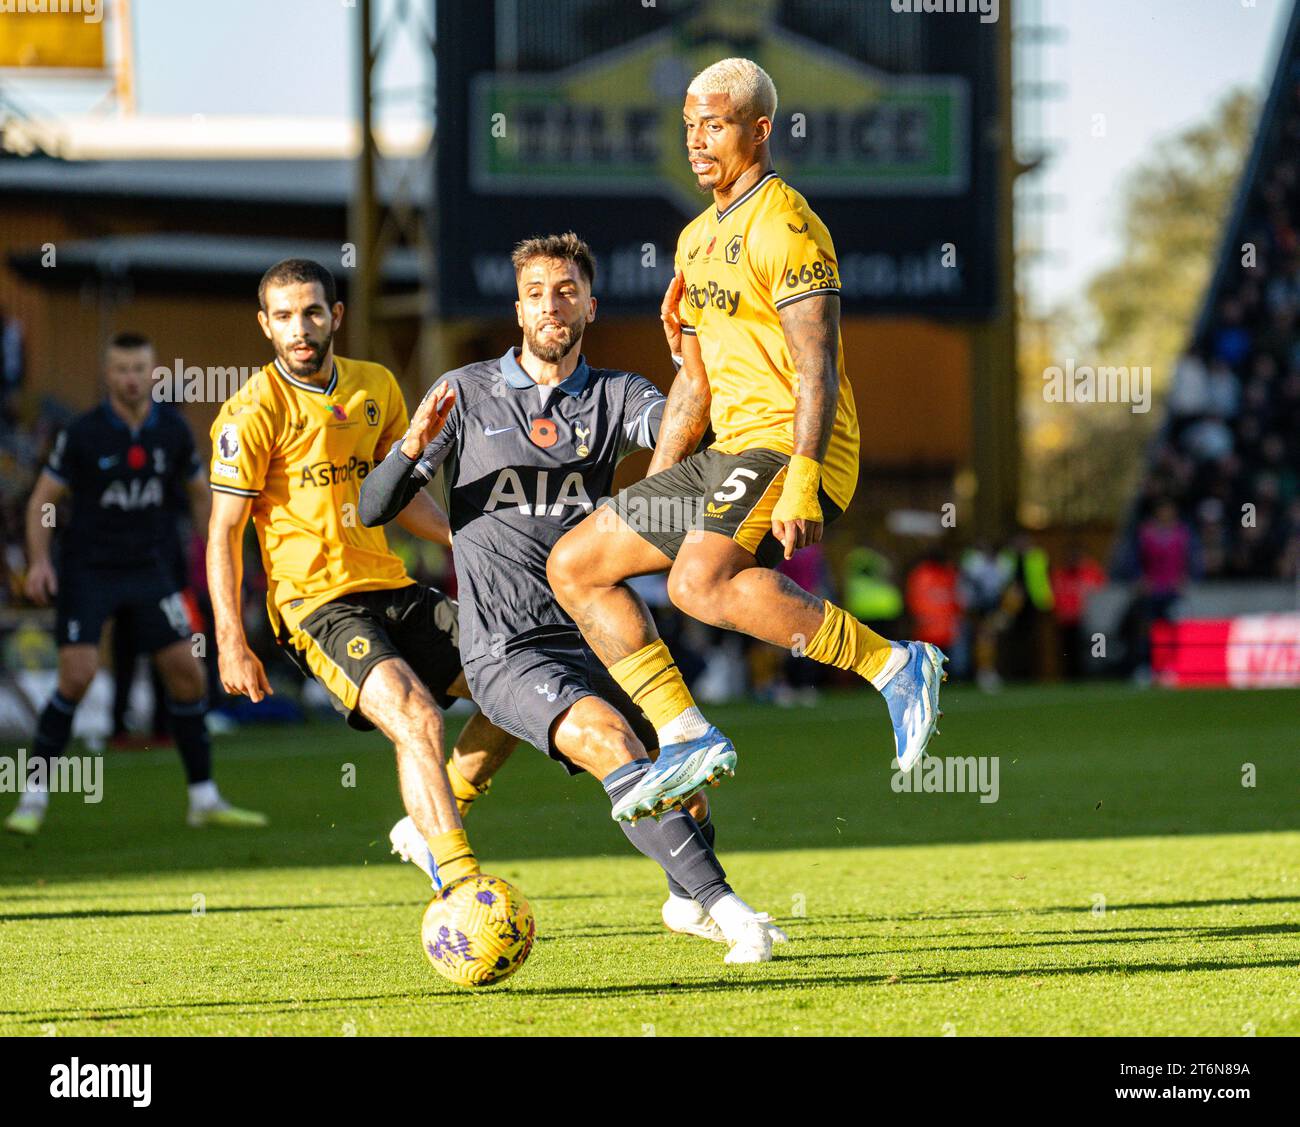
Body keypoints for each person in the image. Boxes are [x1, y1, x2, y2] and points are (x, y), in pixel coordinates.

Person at [360, 234, 784, 963]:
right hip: (504, 645)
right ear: (518, 308)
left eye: (565, 291)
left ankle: (686, 897)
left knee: (685, 790)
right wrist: (407, 452)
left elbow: (684, 437)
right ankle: (731, 911)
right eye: (536, 293)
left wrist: (696, 368)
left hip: (598, 630)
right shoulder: (464, 393)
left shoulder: (617, 395)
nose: (551, 305)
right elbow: (373, 507)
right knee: (608, 742)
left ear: (591, 303)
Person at [545, 58, 946, 822]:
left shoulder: (789, 225)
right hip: (730, 447)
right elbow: (694, 385)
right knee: (577, 564)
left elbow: (815, 364)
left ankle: (895, 664)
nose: (696, 140)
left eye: (715, 125)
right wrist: (653, 486)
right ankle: (683, 731)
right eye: (689, 125)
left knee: (698, 584)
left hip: (793, 444)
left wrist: (801, 477)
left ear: (760, 130)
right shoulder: (695, 239)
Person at [206, 258, 517, 891]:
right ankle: (459, 887)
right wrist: (231, 641)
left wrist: (466, 539)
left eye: (313, 312)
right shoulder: (249, 413)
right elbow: (223, 535)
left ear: (336, 316)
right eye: (285, 316)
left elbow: (399, 493)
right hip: (316, 605)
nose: (301, 328)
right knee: (418, 718)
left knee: (515, 687)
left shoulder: (375, 386)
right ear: (265, 324)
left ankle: (434, 817)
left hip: (392, 585)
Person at [5, 332, 264, 835]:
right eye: (120, 369)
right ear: (107, 375)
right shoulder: (82, 433)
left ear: (153, 373)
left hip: (150, 571)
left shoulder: (171, 430)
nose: (130, 378)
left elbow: (201, 492)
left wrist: (217, 546)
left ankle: (203, 798)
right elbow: (42, 499)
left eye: (138, 368)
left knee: (187, 674)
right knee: (76, 676)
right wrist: (39, 562)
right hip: (89, 571)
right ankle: (33, 799)